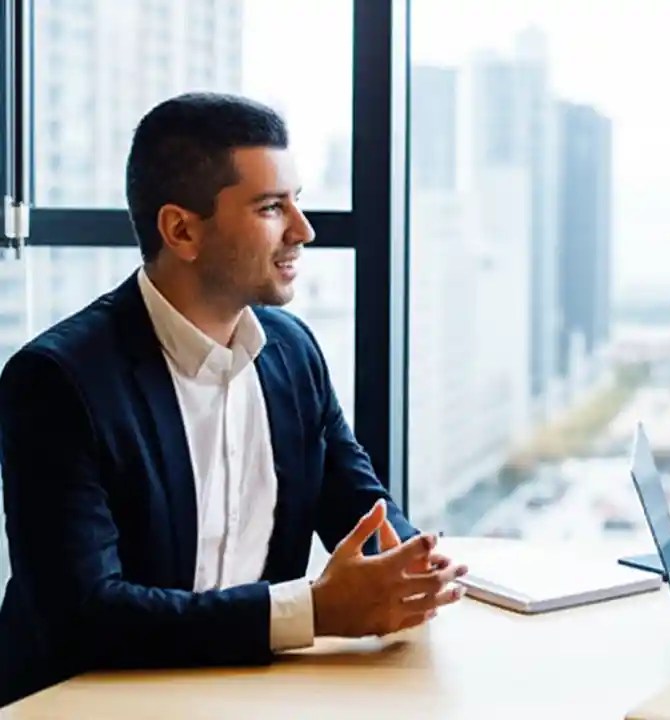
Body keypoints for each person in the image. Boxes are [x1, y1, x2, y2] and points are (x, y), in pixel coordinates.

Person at [0, 92, 469, 707]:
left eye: (296, 200)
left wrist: (409, 568)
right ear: (182, 230)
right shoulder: (56, 381)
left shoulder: (292, 351)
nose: (304, 230)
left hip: (246, 693)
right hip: (86, 703)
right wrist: (312, 611)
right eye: (272, 207)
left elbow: (364, 511)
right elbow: (85, 615)